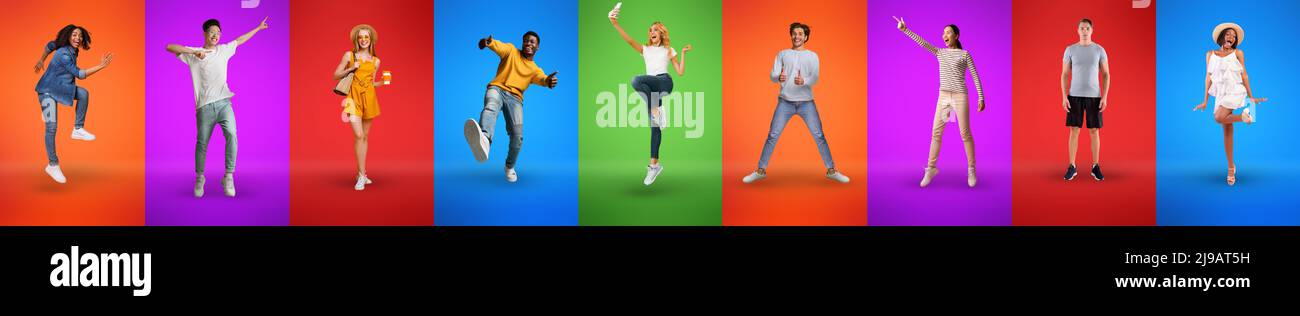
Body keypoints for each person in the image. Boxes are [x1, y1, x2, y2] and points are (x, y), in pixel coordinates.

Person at [165, 17, 269, 197]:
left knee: (232, 134)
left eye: (219, 32)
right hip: (204, 107)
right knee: (202, 143)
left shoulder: (223, 50)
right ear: (205, 33)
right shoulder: (195, 54)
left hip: (224, 103)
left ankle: (228, 176)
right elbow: (170, 47)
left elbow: (241, 39)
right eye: (212, 32)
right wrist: (194, 52)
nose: (216, 35)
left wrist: (258, 28)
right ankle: (200, 178)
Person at [742, 22, 849, 184]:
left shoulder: (813, 56)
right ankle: (760, 170)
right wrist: (778, 78)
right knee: (772, 135)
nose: (796, 36)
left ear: (805, 37)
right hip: (785, 102)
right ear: (791, 35)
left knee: (819, 136)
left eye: (800, 33)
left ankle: (831, 170)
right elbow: (772, 75)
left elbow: (815, 77)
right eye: (794, 33)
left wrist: (804, 81)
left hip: (807, 103)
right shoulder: (782, 54)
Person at [894, 16, 986, 188]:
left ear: (956, 36)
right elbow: (923, 43)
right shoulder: (939, 52)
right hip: (944, 98)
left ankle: (972, 169)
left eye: (948, 32)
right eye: (943, 33)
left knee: (965, 133)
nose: (944, 35)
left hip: (959, 97)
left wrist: (981, 97)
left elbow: (975, 75)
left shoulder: (965, 54)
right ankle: (931, 168)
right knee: (936, 133)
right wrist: (904, 29)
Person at [609, 3, 693, 186]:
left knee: (636, 80)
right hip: (652, 90)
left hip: (664, 82)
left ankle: (655, 108)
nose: (652, 32)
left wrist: (684, 53)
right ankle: (654, 165)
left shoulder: (669, 50)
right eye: (650, 30)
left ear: (661, 33)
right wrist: (614, 23)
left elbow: (679, 72)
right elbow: (628, 39)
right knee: (655, 127)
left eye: (655, 30)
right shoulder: (645, 50)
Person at [462, 31, 558, 183]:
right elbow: (496, 45)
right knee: (491, 106)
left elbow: (543, 79)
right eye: (526, 41)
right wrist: (487, 43)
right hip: (497, 89)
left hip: (515, 99)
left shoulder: (534, 69)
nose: (529, 44)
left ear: (537, 47)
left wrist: (549, 81)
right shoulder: (511, 51)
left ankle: (509, 166)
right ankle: (485, 139)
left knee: (517, 137)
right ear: (522, 43)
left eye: (532, 42)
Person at [34, 24, 114, 184]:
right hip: (48, 91)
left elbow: (49, 46)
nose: (78, 38)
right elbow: (80, 74)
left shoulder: (64, 45)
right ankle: (52, 164)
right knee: (51, 127)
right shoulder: (64, 54)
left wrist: (41, 60)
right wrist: (101, 66)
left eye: (80, 36)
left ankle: (78, 128)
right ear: (68, 36)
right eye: (74, 35)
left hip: (62, 88)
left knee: (83, 93)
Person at [1193, 22, 1267, 186]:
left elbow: (1245, 75)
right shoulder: (1210, 54)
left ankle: (1244, 116)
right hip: (1220, 94)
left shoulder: (1238, 53)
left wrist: (1251, 96)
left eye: (1234, 36)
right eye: (1228, 34)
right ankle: (1231, 167)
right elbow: (1208, 77)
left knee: (1219, 117)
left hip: (1235, 90)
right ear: (1221, 37)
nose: (1231, 38)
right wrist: (1205, 100)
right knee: (1227, 129)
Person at [333, 24, 390, 190]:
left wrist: (383, 82)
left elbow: (371, 83)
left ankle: (363, 174)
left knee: (365, 136)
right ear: (356, 40)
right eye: (360, 37)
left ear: (371, 39)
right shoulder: (349, 55)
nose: (363, 40)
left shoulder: (376, 61)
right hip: (353, 99)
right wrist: (352, 67)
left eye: (366, 37)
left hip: (370, 99)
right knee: (358, 135)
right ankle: (360, 175)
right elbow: (335, 75)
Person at [1061, 18, 1111, 181]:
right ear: (1077, 30)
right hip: (1074, 95)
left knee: (1094, 131)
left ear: (1092, 30)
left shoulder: (1099, 50)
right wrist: (1064, 96)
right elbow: (1065, 74)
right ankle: (1072, 166)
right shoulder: (1070, 50)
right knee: (1074, 130)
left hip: (1094, 96)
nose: (1084, 31)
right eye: (1082, 28)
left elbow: (1106, 74)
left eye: (1087, 28)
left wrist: (1104, 96)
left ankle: (1095, 166)